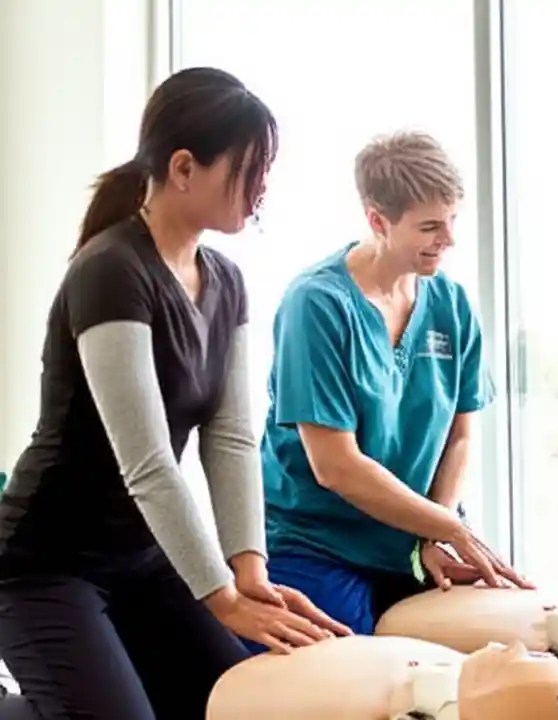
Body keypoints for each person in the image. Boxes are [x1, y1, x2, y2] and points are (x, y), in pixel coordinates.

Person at [0, 67, 348, 720]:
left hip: (143, 559)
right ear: (184, 168)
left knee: (232, 703)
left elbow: (231, 436)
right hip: (46, 565)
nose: (263, 186)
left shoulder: (226, 281)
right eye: (249, 168)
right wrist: (221, 596)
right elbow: (149, 461)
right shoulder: (111, 270)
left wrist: (248, 572)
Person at [258, 130, 531, 639]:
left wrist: (435, 532)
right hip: (316, 545)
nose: (448, 239)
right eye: (429, 227)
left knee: (501, 645)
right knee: (348, 667)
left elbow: (459, 436)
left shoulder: (451, 304)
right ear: (377, 221)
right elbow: (335, 466)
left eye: (452, 220)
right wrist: (446, 527)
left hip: (415, 543)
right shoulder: (316, 305)